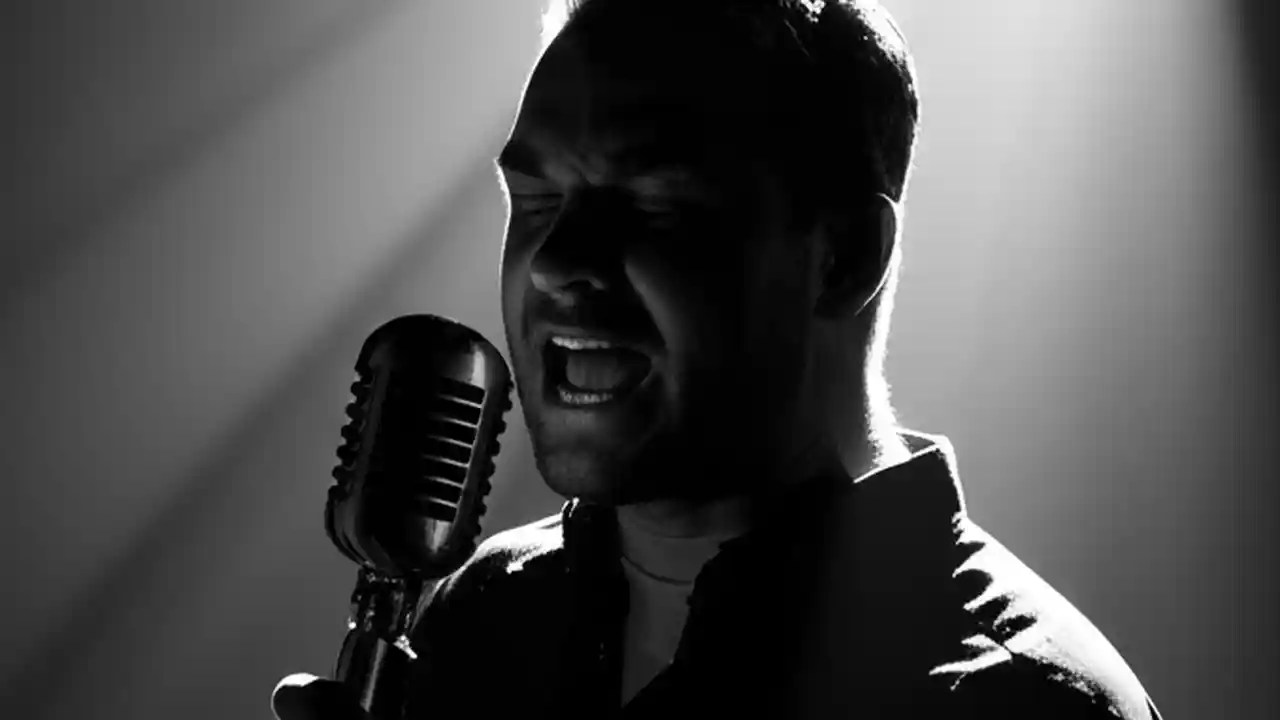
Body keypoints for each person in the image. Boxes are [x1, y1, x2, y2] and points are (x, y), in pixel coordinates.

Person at [276, 0, 1164, 717]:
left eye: (653, 203)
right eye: (537, 200)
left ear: (846, 254)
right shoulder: (485, 621)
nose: (555, 263)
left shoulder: (1020, 704)